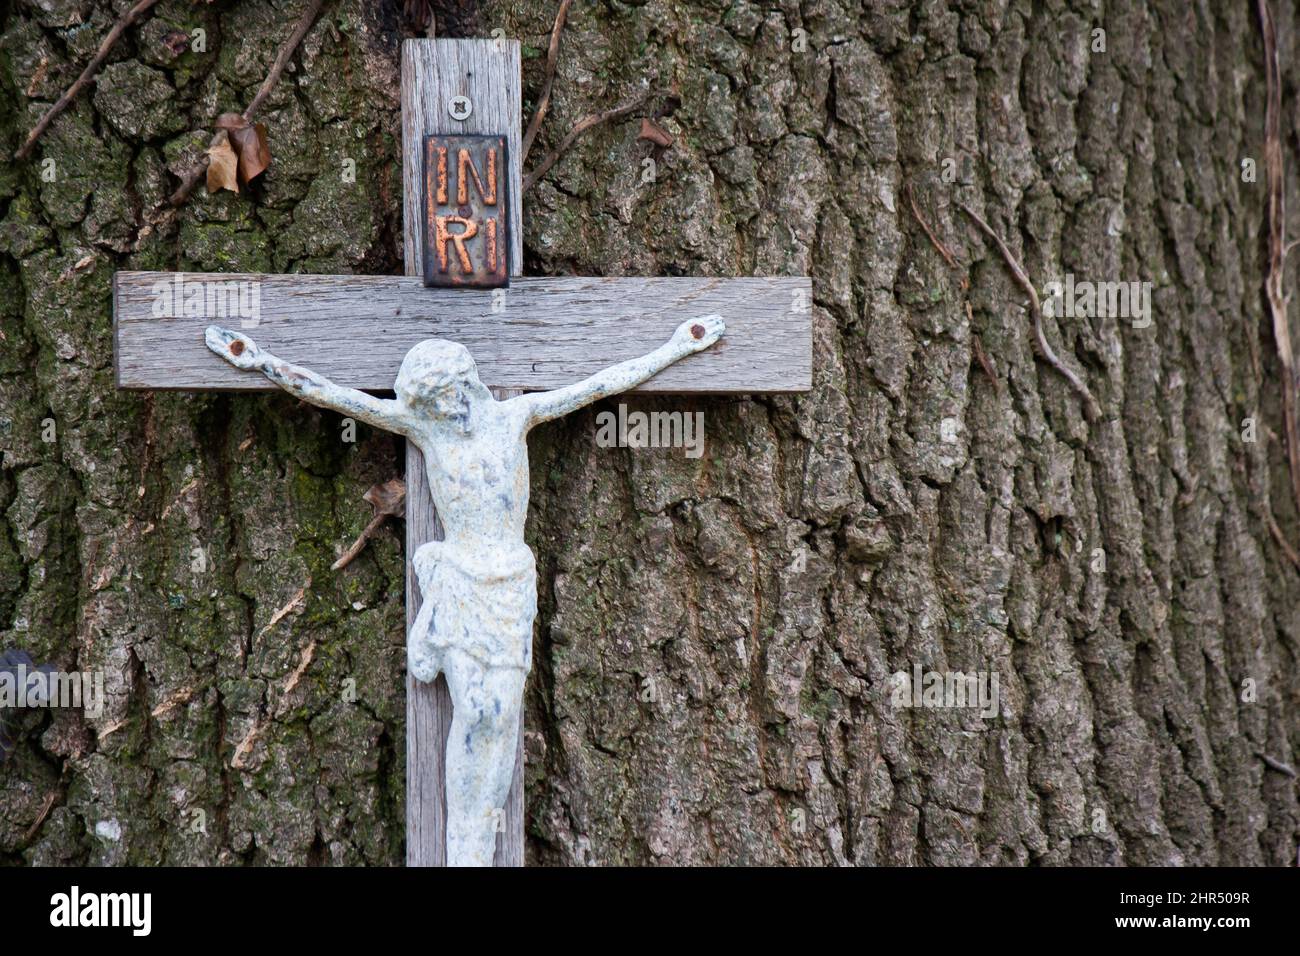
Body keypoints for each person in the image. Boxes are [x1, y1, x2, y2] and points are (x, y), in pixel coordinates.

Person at [205, 314, 725, 865]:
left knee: (502, 716)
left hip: (510, 583)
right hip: (460, 580)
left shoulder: (516, 414)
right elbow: (333, 395)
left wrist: (675, 348)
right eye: (430, 404)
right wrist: (257, 360)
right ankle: (463, 849)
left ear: (468, 384)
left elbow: (604, 382)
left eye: (446, 398)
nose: (443, 411)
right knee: (474, 712)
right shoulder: (425, 428)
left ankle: (480, 837)